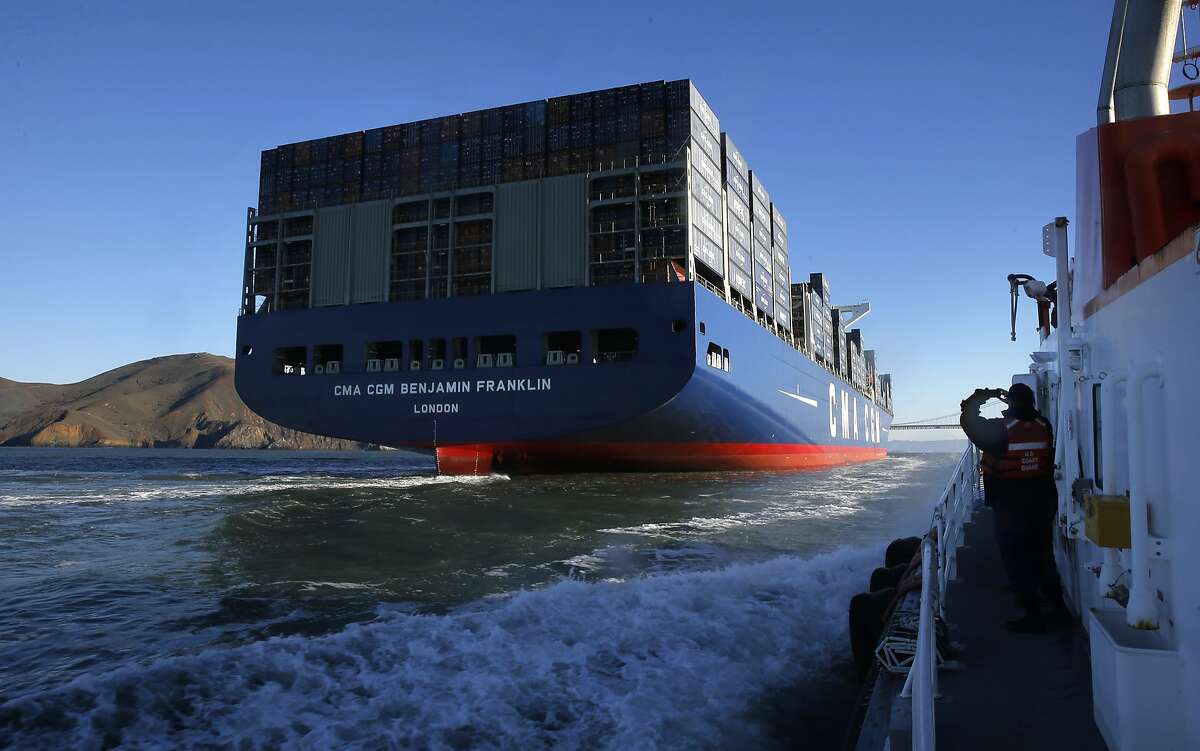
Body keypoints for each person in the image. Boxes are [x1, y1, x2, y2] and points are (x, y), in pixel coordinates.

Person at [960, 383, 1065, 633]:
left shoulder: (1000, 430)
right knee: (1043, 555)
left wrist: (983, 396)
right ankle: (1058, 608)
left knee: (1015, 559)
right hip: (1041, 502)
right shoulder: (1044, 426)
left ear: (1010, 402)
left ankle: (1032, 615)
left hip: (1010, 504)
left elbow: (967, 418)